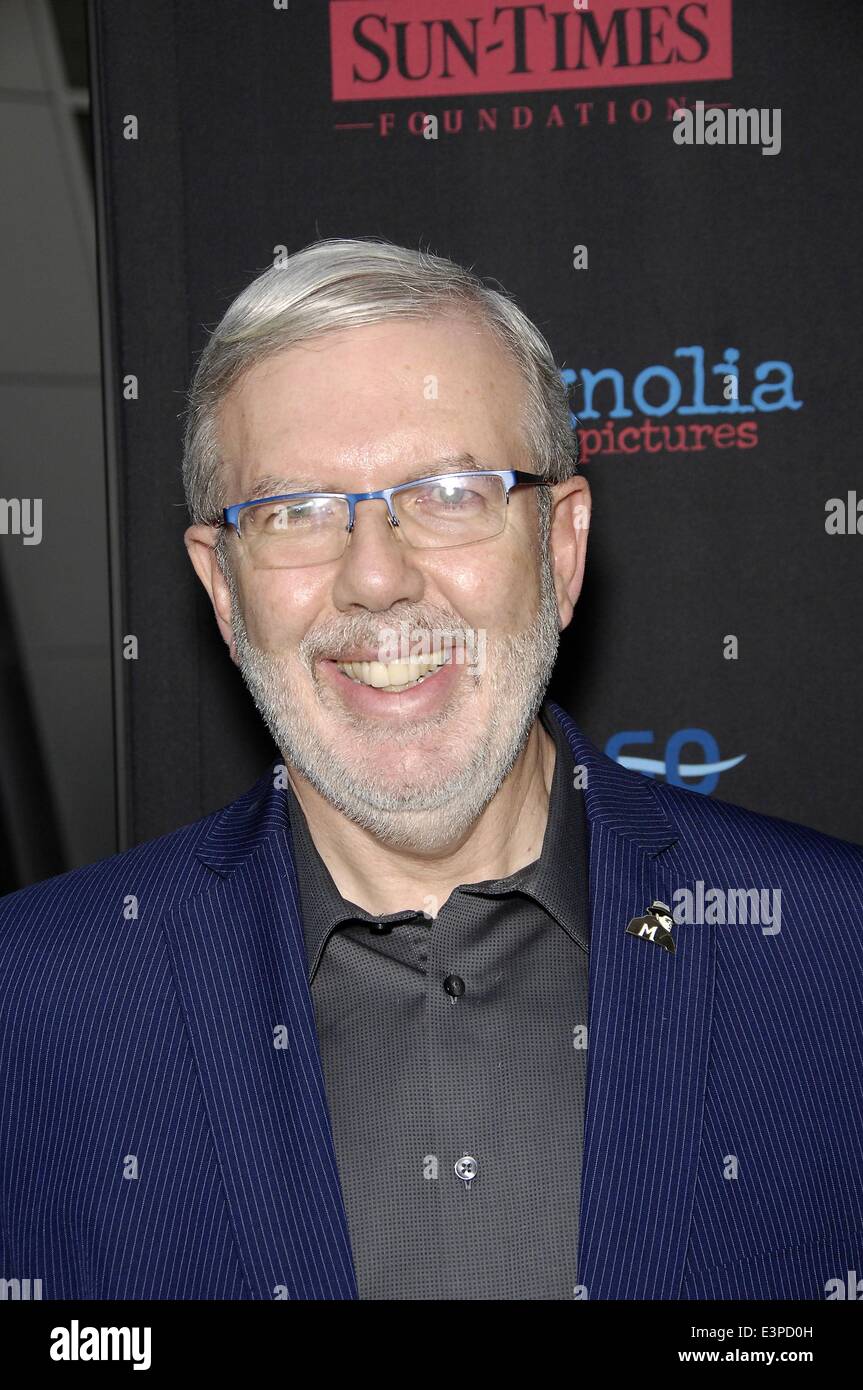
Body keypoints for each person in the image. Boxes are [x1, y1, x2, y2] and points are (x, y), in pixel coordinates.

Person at [1, 238, 861, 1301]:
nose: (373, 575)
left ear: (559, 548)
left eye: (449, 492)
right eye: (294, 512)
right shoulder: (33, 1005)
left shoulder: (833, 957)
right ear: (223, 591)